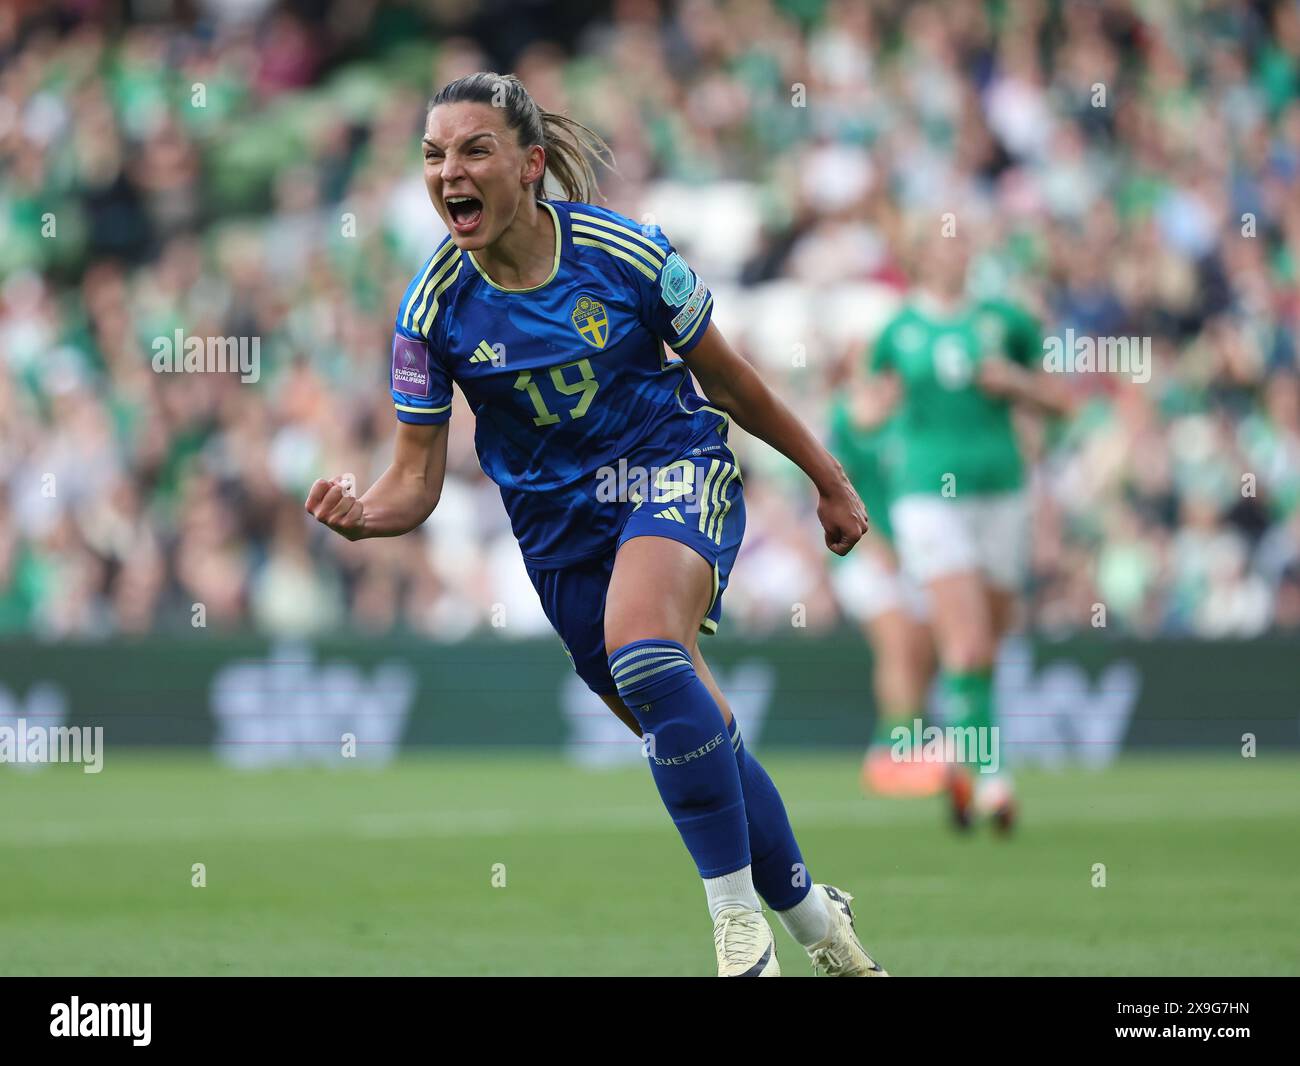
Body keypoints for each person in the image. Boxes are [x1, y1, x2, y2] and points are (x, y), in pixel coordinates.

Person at [305, 72, 886, 976]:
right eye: (432, 155)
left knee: (647, 652)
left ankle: (740, 937)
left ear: (531, 164)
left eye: (473, 150)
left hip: (670, 468)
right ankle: (816, 917)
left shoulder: (626, 255)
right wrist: (361, 516)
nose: (448, 171)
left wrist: (827, 478)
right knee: (695, 733)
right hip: (558, 538)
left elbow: (731, 382)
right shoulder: (430, 312)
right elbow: (414, 483)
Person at [869, 225, 1073, 831]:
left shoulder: (1005, 321)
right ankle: (994, 780)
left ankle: (960, 755)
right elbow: (868, 410)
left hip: (1002, 491)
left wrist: (1017, 385)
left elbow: (1062, 402)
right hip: (928, 496)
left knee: (991, 641)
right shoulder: (897, 331)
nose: (954, 249)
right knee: (968, 643)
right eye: (939, 240)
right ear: (921, 255)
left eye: (959, 240)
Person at [826, 365, 941, 798]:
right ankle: (898, 756)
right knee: (896, 643)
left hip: (911, 556)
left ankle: (892, 744)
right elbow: (838, 480)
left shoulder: (910, 420)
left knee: (921, 651)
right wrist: (874, 546)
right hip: (865, 554)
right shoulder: (848, 420)